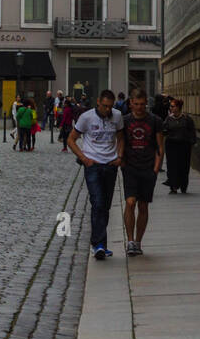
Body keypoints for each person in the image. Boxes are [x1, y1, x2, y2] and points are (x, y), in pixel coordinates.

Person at [68, 89, 123, 260]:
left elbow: (121, 137)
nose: (107, 110)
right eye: (104, 106)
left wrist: (120, 157)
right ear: (98, 102)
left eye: (110, 107)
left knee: (105, 205)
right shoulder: (86, 117)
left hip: (111, 165)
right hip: (93, 165)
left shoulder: (117, 116)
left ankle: (100, 244)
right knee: (97, 202)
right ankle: (98, 244)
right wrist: (84, 158)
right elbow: (71, 139)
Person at [118, 89, 164, 256]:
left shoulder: (155, 121)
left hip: (148, 167)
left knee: (143, 205)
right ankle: (130, 241)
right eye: (136, 104)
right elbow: (120, 141)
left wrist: (156, 168)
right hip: (130, 167)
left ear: (146, 103)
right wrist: (121, 160)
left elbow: (160, 146)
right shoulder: (124, 121)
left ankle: (138, 241)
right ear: (130, 103)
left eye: (142, 104)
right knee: (130, 202)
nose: (139, 107)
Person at [163, 98, 197, 193]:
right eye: (171, 106)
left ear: (178, 107)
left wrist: (192, 141)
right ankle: (173, 186)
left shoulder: (186, 119)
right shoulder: (169, 119)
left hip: (184, 145)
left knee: (184, 166)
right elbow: (164, 129)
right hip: (171, 145)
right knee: (172, 165)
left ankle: (183, 185)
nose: (171, 108)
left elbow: (192, 131)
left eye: (173, 106)